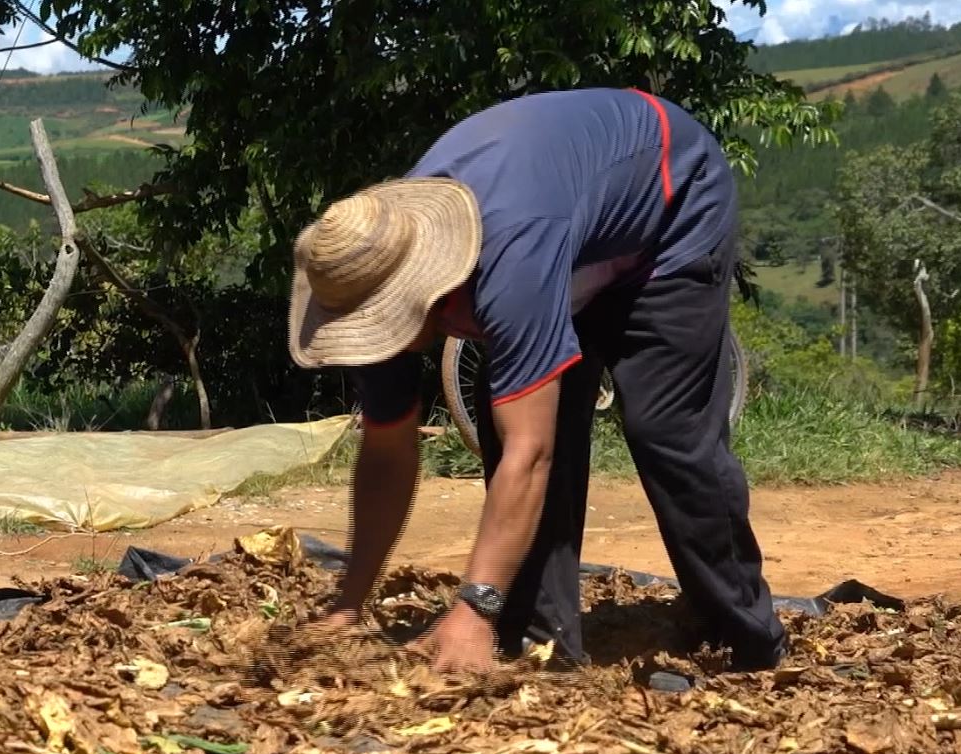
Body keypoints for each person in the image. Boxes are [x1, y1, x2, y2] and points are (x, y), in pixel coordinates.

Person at [286, 87, 787, 675]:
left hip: (670, 207)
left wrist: (472, 607)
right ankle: (545, 648)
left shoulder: (509, 257)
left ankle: (749, 635)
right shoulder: (367, 272)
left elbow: (533, 453)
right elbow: (388, 450)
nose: (376, 339)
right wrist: (348, 601)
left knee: (666, 432)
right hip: (568, 223)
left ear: (424, 291)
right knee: (506, 420)